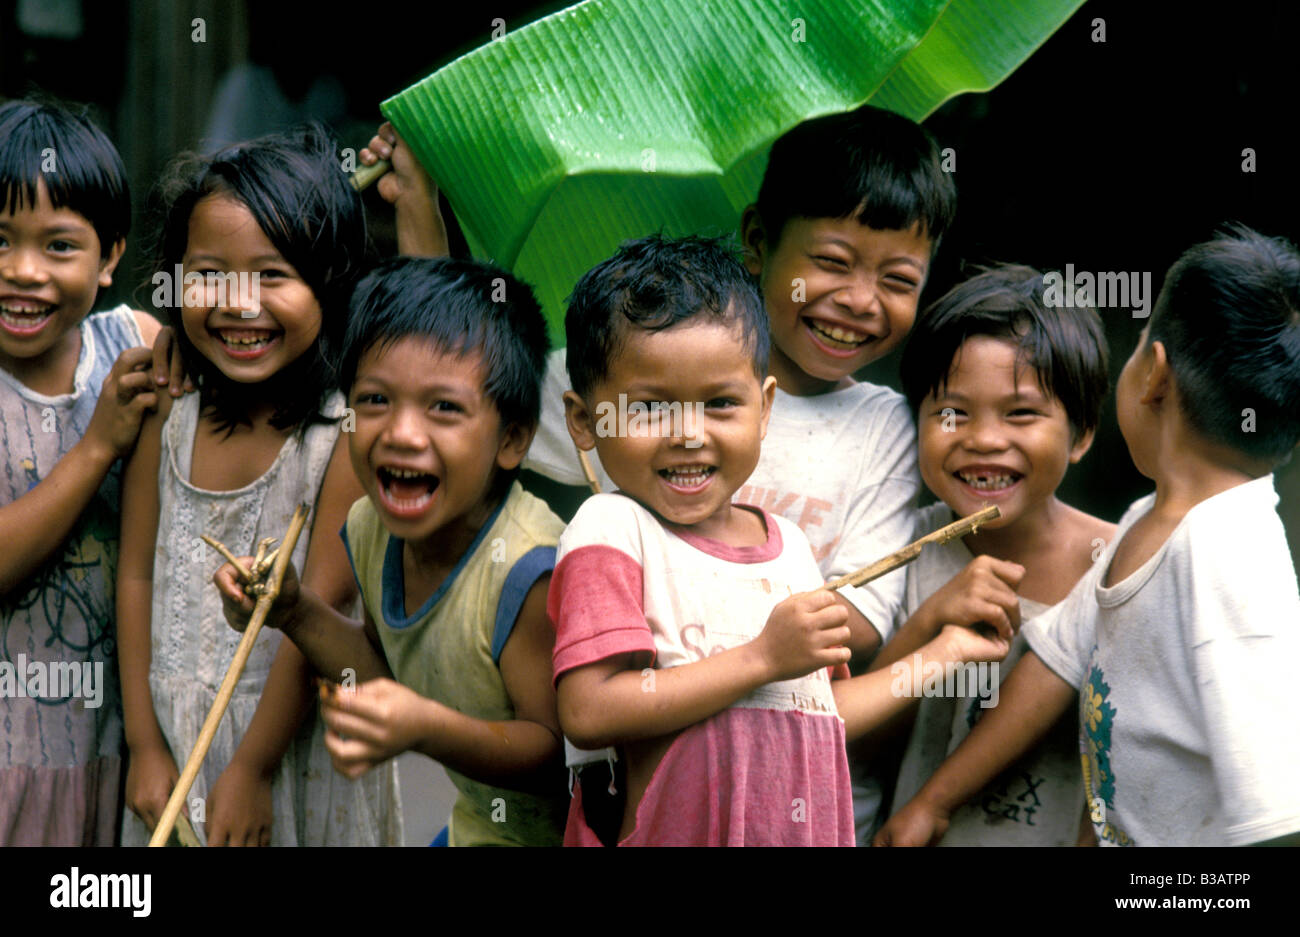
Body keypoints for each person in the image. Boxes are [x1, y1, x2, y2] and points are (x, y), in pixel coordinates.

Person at [548, 234, 1005, 845]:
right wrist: (761, 657)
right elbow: (588, 711)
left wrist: (942, 654)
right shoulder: (612, 530)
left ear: (764, 409)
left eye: (719, 403)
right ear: (585, 421)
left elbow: (819, 716)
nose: (690, 434)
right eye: (651, 407)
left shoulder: (788, 547)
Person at [877, 227, 1300, 847]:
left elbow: (1279, 815)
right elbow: (1054, 664)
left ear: (1152, 374)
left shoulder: (1232, 555)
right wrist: (934, 803)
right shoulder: (1147, 523)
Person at [215, 255, 569, 847]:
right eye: (375, 400)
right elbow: (380, 671)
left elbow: (553, 754)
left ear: (512, 438)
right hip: (477, 827)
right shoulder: (371, 528)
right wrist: (294, 611)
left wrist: (425, 728)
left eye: (445, 408)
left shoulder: (527, 570)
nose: (402, 433)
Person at [118, 125, 400, 846]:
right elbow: (136, 574)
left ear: (331, 283)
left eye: (274, 276)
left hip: (289, 759)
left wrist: (252, 767)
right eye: (211, 274)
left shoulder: (340, 438)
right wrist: (147, 744)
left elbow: (317, 619)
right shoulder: (168, 412)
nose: (240, 304)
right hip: (174, 747)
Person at [875, 264, 1113, 845]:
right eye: (951, 412)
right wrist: (932, 621)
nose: (983, 438)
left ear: (1081, 433)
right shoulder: (903, 550)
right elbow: (861, 738)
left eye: (1020, 413)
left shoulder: (1117, 567)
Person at [0, 97, 161, 845]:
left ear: (111, 258)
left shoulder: (133, 345)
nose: (22, 272)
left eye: (58, 245)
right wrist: (97, 447)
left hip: (110, 758)